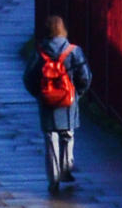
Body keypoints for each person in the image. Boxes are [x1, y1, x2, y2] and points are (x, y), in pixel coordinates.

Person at [27, 14, 87, 198]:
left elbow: (29, 77)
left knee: (50, 139)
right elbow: (85, 77)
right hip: (68, 102)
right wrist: (77, 94)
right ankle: (66, 166)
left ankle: (53, 179)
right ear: (64, 30)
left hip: (47, 103)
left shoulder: (39, 53)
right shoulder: (73, 52)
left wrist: (39, 94)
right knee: (67, 134)